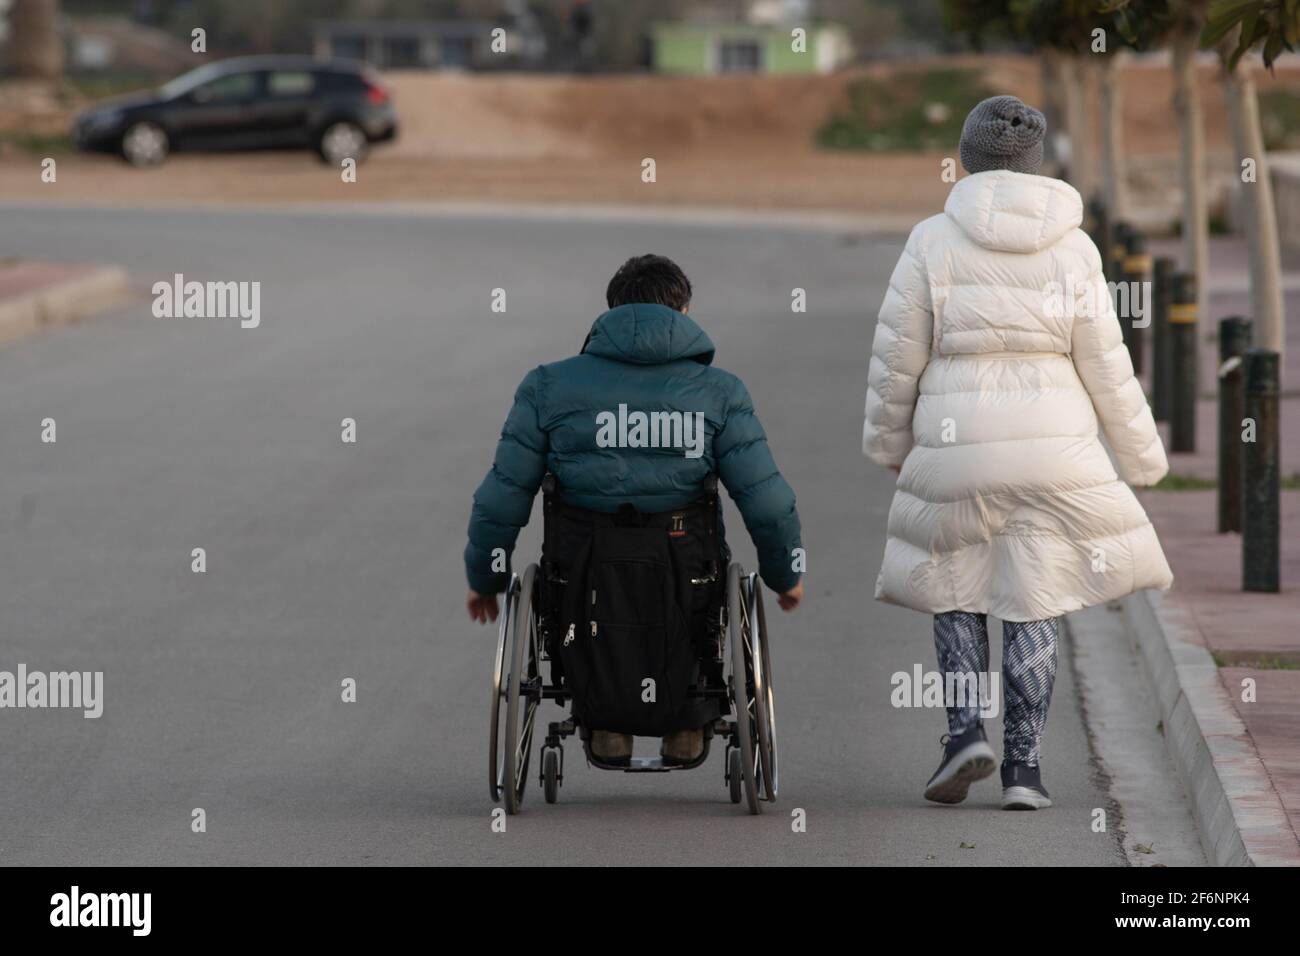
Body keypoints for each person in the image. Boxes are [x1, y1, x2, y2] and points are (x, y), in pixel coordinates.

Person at [863, 95, 1173, 810]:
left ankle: (965, 733)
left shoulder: (932, 241)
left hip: (956, 446)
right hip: (1053, 450)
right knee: (1035, 598)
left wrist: (889, 443)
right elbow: (1108, 364)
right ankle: (1026, 770)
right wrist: (1141, 457)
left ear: (968, 159)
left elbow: (896, 358)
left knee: (955, 586)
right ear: (1037, 164)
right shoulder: (1075, 248)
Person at [466, 254, 803, 766]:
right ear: (684, 313)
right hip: (687, 560)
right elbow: (768, 500)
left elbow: (502, 495)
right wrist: (784, 572)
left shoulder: (547, 386)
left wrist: (485, 576)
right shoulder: (720, 393)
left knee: (584, 597)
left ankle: (604, 721)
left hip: (581, 569)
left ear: (611, 313)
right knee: (695, 584)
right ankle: (688, 721)